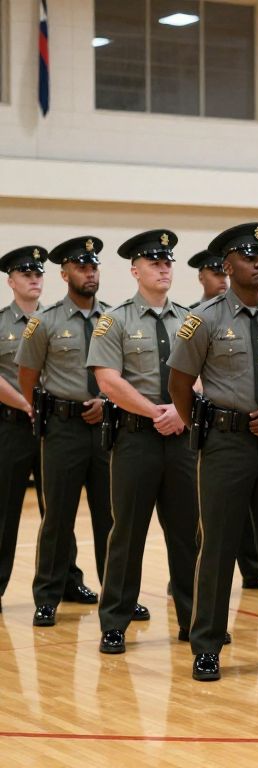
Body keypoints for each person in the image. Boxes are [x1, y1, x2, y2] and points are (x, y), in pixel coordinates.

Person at [167, 222, 258, 682]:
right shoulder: (204, 318)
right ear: (227, 267)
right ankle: (206, 645)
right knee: (218, 546)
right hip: (226, 443)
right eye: (249, 257)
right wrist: (206, 425)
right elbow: (179, 384)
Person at [88, 229, 200, 653]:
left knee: (189, 535)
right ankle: (115, 621)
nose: (164, 268)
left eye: (168, 262)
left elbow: (205, 373)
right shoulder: (114, 320)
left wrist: (180, 410)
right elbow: (107, 379)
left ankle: (194, 621)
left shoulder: (191, 319)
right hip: (136, 438)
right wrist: (157, 412)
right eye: (154, 262)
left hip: (182, 439)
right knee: (127, 534)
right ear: (135, 270)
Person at [16, 236, 119, 627]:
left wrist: (106, 403)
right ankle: (48, 596)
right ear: (64, 273)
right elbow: (28, 378)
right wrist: (59, 408)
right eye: (81, 267)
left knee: (111, 518)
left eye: (93, 267)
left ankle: (117, 598)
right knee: (57, 517)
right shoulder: (46, 322)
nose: (89, 273)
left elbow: (121, 375)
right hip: (62, 429)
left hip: (107, 427)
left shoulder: (114, 318)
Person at [0, 247, 92, 612]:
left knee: (59, 507)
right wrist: (26, 404)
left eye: (38, 274)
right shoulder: (2, 323)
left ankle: (69, 579)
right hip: (14, 425)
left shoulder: (58, 320)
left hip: (55, 424)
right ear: (11, 282)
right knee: (6, 509)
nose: (34, 280)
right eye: (26, 275)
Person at [188, 248, 258, 588]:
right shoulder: (201, 317)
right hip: (221, 434)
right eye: (215, 272)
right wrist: (198, 422)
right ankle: (206, 632)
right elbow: (180, 382)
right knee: (214, 533)